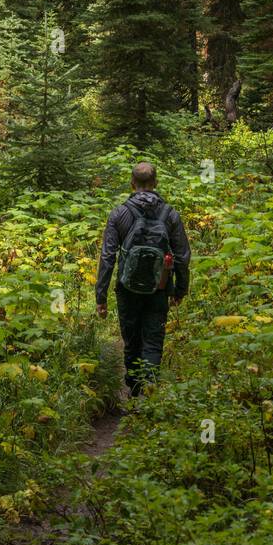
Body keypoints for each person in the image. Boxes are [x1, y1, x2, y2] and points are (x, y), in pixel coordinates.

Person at [95, 161, 191, 396]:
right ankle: (149, 390)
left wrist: (101, 297)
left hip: (127, 289)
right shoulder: (170, 214)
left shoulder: (119, 213)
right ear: (155, 183)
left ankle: (135, 389)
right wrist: (180, 289)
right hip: (159, 287)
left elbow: (108, 257)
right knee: (153, 338)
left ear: (132, 184)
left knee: (132, 339)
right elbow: (182, 255)